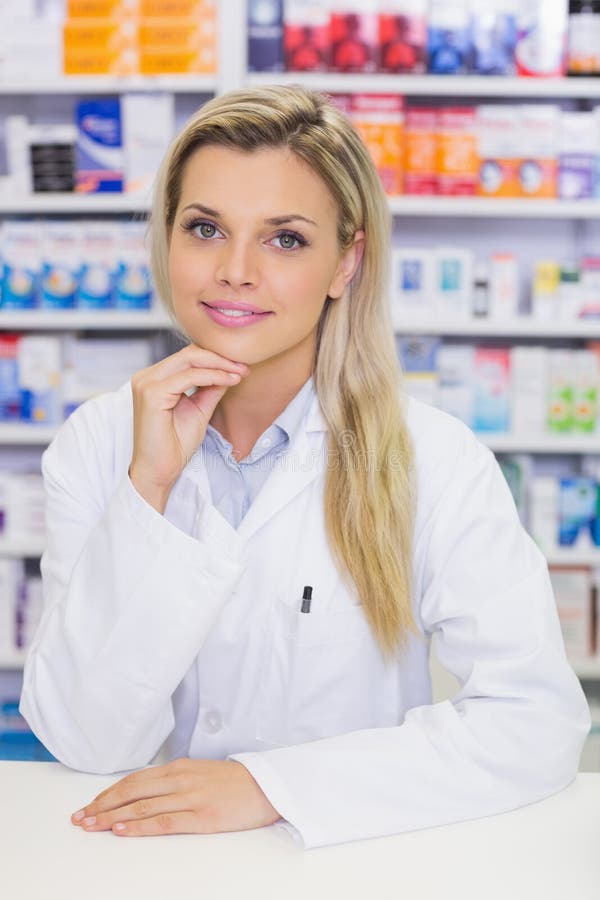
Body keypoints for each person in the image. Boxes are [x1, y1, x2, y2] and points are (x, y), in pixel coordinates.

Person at [20, 84, 590, 850]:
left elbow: (536, 720)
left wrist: (270, 785)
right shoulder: (98, 444)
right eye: (205, 228)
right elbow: (83, 740)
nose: (235, 271)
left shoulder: (433, 460)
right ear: (166, 238)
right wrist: (144, 491)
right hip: (151, 868)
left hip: (349, 861)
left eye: (285, 238)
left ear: (344, 262)